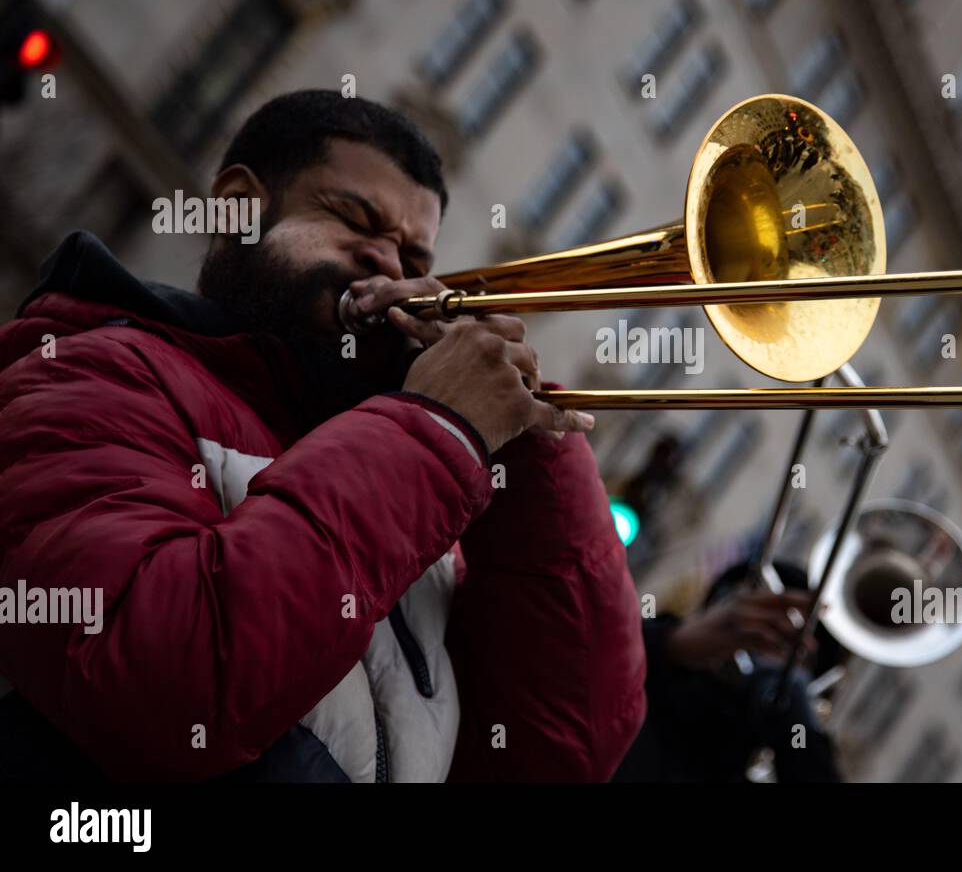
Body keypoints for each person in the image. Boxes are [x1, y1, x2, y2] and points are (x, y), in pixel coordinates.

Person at [0, 90, 646, 782]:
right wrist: (435, 430)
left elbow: (563, 750)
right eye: (353, 218)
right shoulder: (88, 373)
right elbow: (158, 680)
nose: (391, 268)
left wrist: (534, 457)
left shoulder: (417, 489)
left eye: (413, 254)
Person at [614, 559, 844, 782]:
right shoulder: (634, 670)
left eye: (781, 640)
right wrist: (670, 644)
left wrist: (797, 726)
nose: (753, 641)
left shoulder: (729, 764)